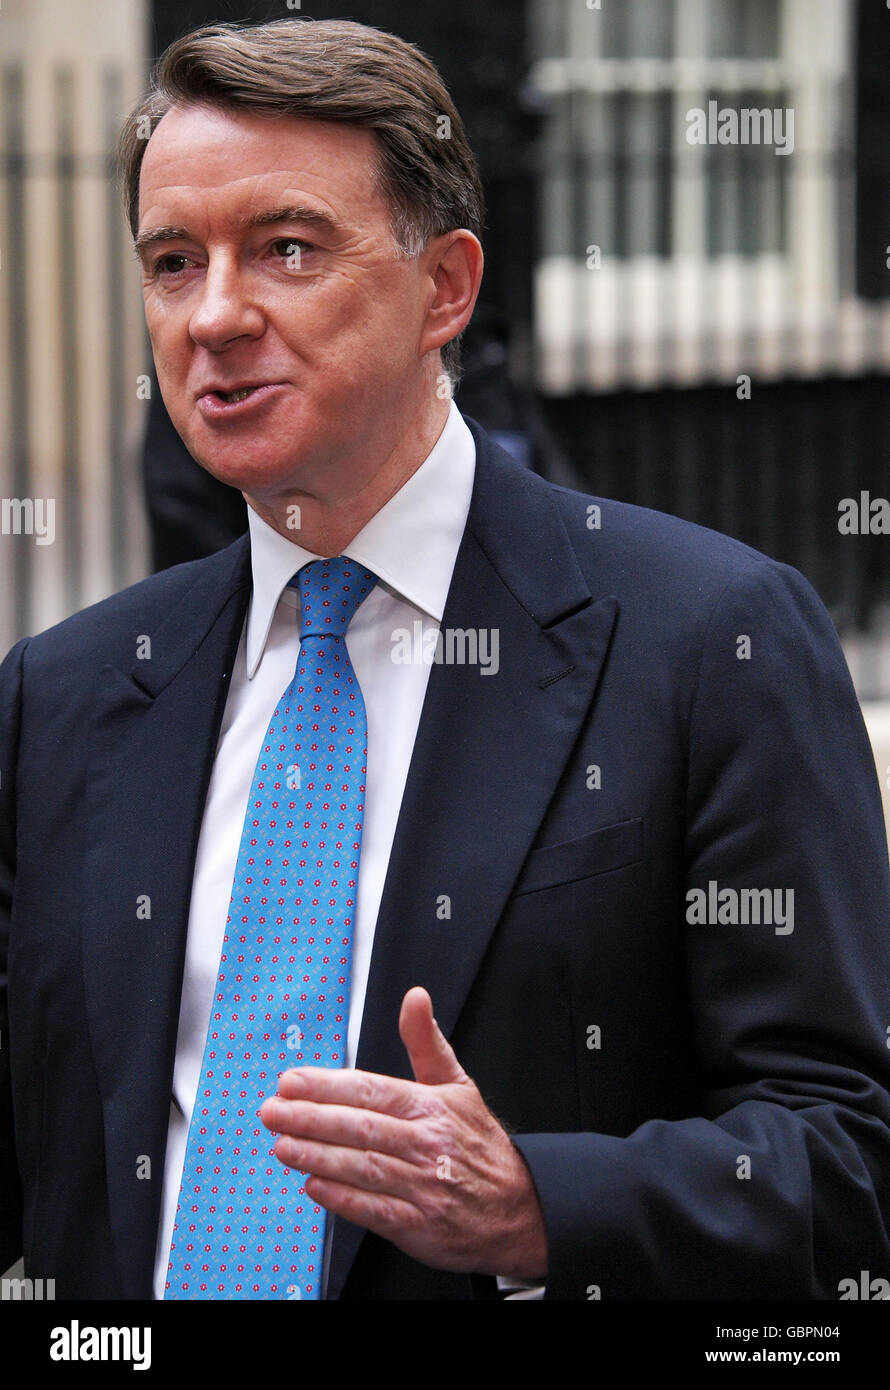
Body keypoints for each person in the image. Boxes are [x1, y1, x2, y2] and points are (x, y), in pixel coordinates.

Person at [2, 17, 890, 1302]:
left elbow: (843, 1154)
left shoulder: (712, 644)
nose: (216, 315)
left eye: (287, 249)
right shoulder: (68, 692)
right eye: (172, 262)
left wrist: (537, 1208)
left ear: (446, 288)